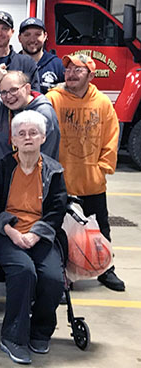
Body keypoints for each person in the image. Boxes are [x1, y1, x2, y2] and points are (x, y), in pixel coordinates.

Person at [0, 110, 68, 364]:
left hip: (40, 235)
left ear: (43, 138)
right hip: (5, 234)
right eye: (22, 133)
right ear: (13, 139)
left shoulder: (54, 171)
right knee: (24, 270)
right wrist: (11, 231)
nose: (28, 137)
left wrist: (36, 235)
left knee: (52, 278)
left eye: (33, 133)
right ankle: (13, 337)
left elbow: (57, 210)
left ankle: (40, 331)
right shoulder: (2, 168)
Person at [46, 54, 124, 291]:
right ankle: (62, 274)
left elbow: (112, 136)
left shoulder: (102, 102)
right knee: (60, 232)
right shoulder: (53, 99)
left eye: (77, 70)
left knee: (100, 228)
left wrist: (103, 168)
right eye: (68, 69)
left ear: (91, 76)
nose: (70, 74)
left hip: (92, 181)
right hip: (62, 181)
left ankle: (106, 268)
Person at [0, 66, 60, 174]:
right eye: (3, 92)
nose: (9, 96)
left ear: (27, 88)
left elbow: (47, 155)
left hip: (27, 178)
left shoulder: (44, 114)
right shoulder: (2, 104)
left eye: (14, 90)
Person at [18, 17, 64, 92]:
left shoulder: (58, 65)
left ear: (45, 36)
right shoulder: (11, 65)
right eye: (27, 35)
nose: (32, 40)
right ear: (19, 38)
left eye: (37, 34)